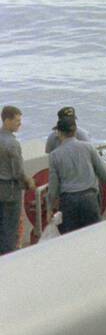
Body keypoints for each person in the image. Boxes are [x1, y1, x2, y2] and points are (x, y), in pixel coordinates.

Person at [48, 117, 106, 233]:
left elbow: (53, 186)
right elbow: (104, 172)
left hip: (68, 202)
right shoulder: (88, 147)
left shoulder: (54, 155)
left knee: (71, 239)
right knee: (94, 236)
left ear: (59, 133)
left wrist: (49, 206)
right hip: (90, 199)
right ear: (75, 131)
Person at [0, 105, 34, 256]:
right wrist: (29, 182)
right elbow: (18, 172)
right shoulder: (12, 143)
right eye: (17, 120)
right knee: (10, 230)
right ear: (7, 120)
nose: (20, 124)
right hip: (10, 192)